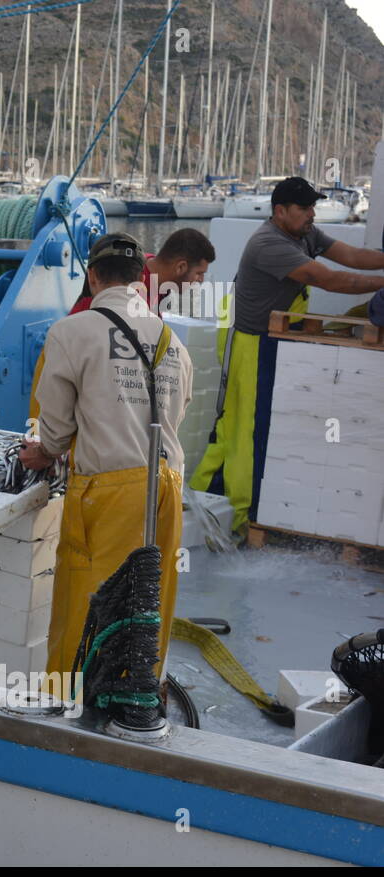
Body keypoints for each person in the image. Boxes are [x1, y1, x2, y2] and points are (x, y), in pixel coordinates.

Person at [22, 234, 193, 685]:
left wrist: (44, 452)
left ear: (93, 277)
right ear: (142, 278)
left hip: (111, 493)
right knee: (149, 607)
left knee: (88, 605)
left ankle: (72, 705)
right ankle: (136, 700)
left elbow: (53, 429)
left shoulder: (72, 331)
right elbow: (180, 410)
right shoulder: (173, 341)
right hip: (168, 487)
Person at [190, 176, 384, 531]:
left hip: (276, 336)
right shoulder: (268, 243)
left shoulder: (306, 233)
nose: (312, 213)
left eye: (313, 206)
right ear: (280, 211)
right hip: (249, 341)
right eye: (305, 207)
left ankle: (234, 506)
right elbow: (332, 280)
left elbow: (353, 257)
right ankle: (229, 517)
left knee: (258, 426)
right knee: (242, 430)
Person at [68, 227, 216, 315]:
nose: (201, 280)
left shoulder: (153, 268)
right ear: (180, 267)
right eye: (199, 273)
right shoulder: (128, 285)